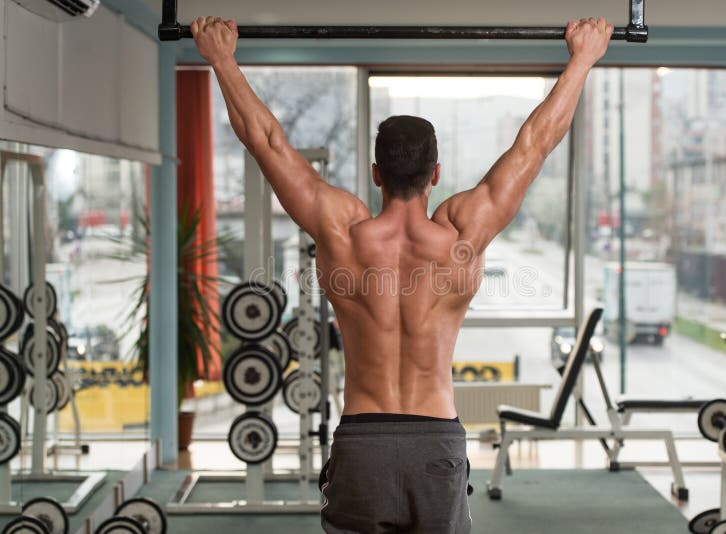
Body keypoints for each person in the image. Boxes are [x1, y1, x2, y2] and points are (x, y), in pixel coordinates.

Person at [191, 16, 613, 534]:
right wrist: (582, 60)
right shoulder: (461, 235)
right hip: (435, 440)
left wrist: (222, 60)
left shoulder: (343, 232)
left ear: (376, 174)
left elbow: (268, 143)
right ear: (436, 174)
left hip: (362, 439)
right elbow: (534, 145)